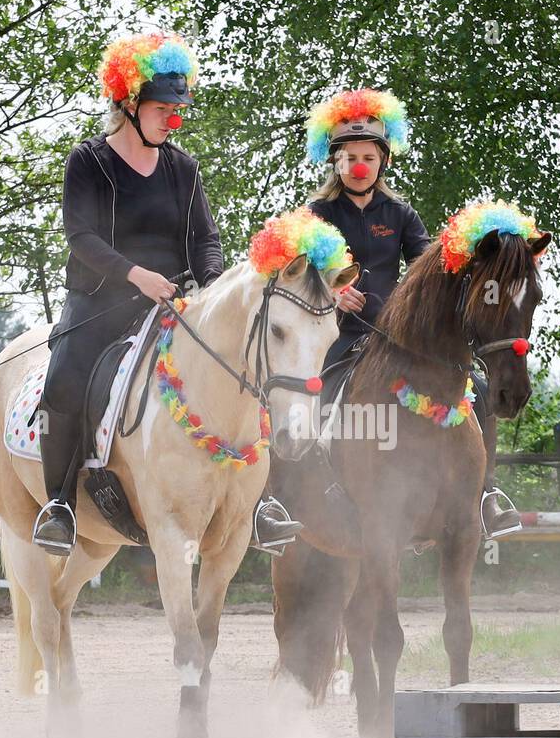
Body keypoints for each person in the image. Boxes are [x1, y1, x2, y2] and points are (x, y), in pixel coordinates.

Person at [33, 33, 300, 556]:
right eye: (162, 109)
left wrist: (209, 284)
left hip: (177, 305)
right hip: (101, 302)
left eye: (178, 111)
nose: (172, 120)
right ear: (128, 103)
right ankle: (60, 505)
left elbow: (207, 238)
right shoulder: (88, 161)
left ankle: (263, 502)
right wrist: (136, 275)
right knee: (63, 380)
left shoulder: (184, 168)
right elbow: (81, 237)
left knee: (248, 368)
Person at [286, 87, 522, 538]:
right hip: (332, 337)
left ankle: (486, 494)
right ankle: (287, 497)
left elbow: (431, 277)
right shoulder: (314, 216)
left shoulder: (402, 214)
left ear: (384, 161)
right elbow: (293, 279)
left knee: (481, 388)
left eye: (368, 158)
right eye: (350, 157)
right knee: (305, 396)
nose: (359, 166)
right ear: (334, 161)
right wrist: (331, 295)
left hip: (396, 340)